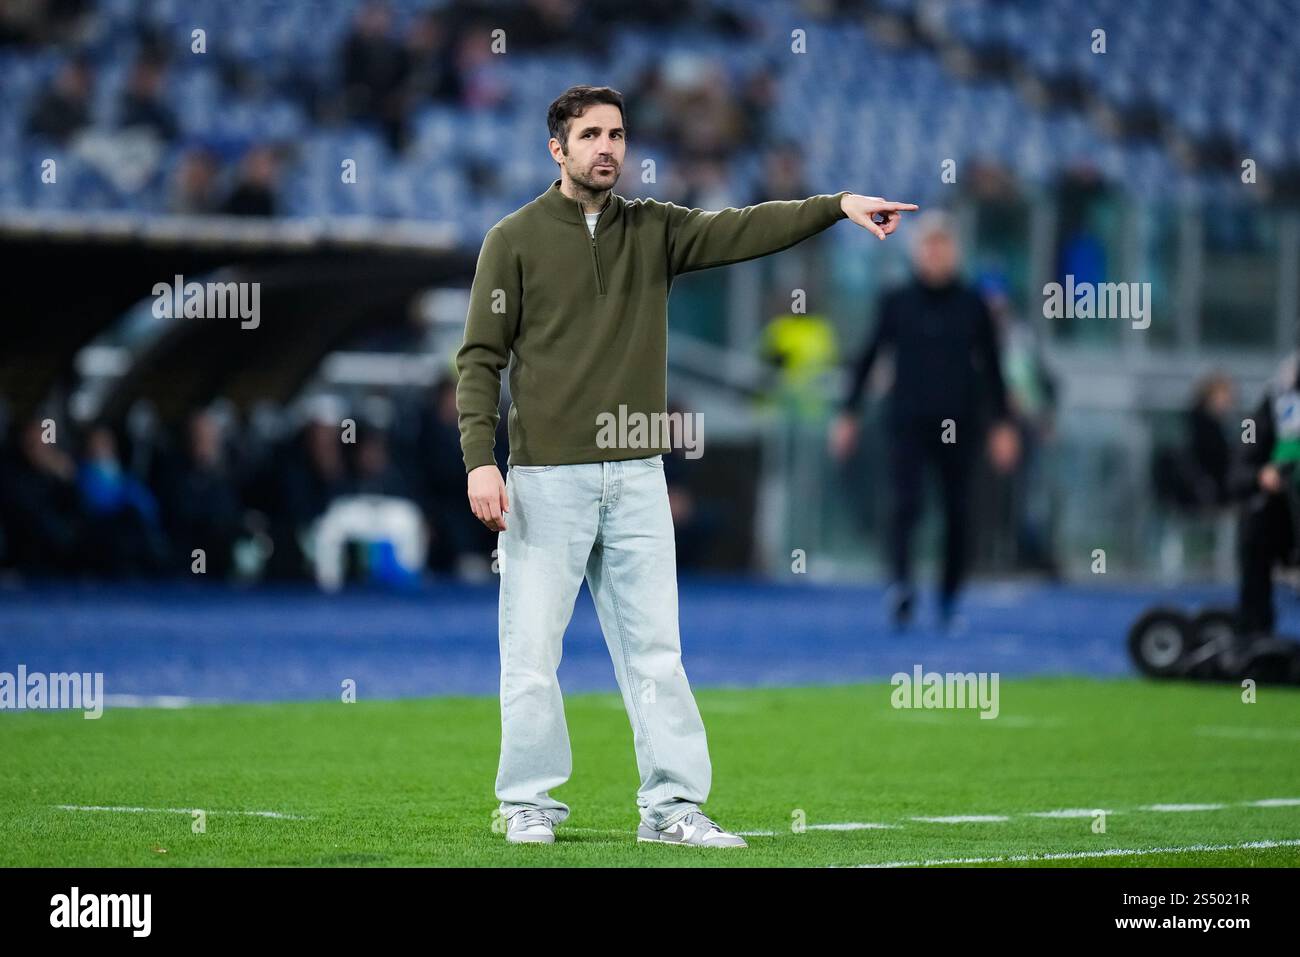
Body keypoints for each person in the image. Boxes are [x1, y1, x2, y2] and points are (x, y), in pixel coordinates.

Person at [455, 84, 916, 847]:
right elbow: (478, 360)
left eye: (618, 134)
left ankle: (671, 809)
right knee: (532, 652)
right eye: (592, 134)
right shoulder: (513, 239)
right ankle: (527, 801)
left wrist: (835, 205)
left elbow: (746, 228)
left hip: (638, 475)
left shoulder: (658, 229)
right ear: (557, 148)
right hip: (545, 478)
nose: (608, 147)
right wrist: (481, 459)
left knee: (657, 654)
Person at [828, 211, 1019, 629]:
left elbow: (993, 368)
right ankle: (900, 587)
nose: (935, 254)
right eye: (928, 245)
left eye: (942, 245)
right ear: (916, 252)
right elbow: (868, 356)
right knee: (904, 506)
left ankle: (949, 598)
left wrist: (1002, 424)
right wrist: (848, 413)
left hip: (960, 424)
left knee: (957, 512)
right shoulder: (897, 301)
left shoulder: (973, 305)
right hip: (907, 421)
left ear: (955, 252)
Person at [1231, 353, 1300, 638]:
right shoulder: (1279, 399)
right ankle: (1255, 635)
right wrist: (1263, 476)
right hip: (1283, 512)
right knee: (1255, 528)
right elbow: (1242, 468)